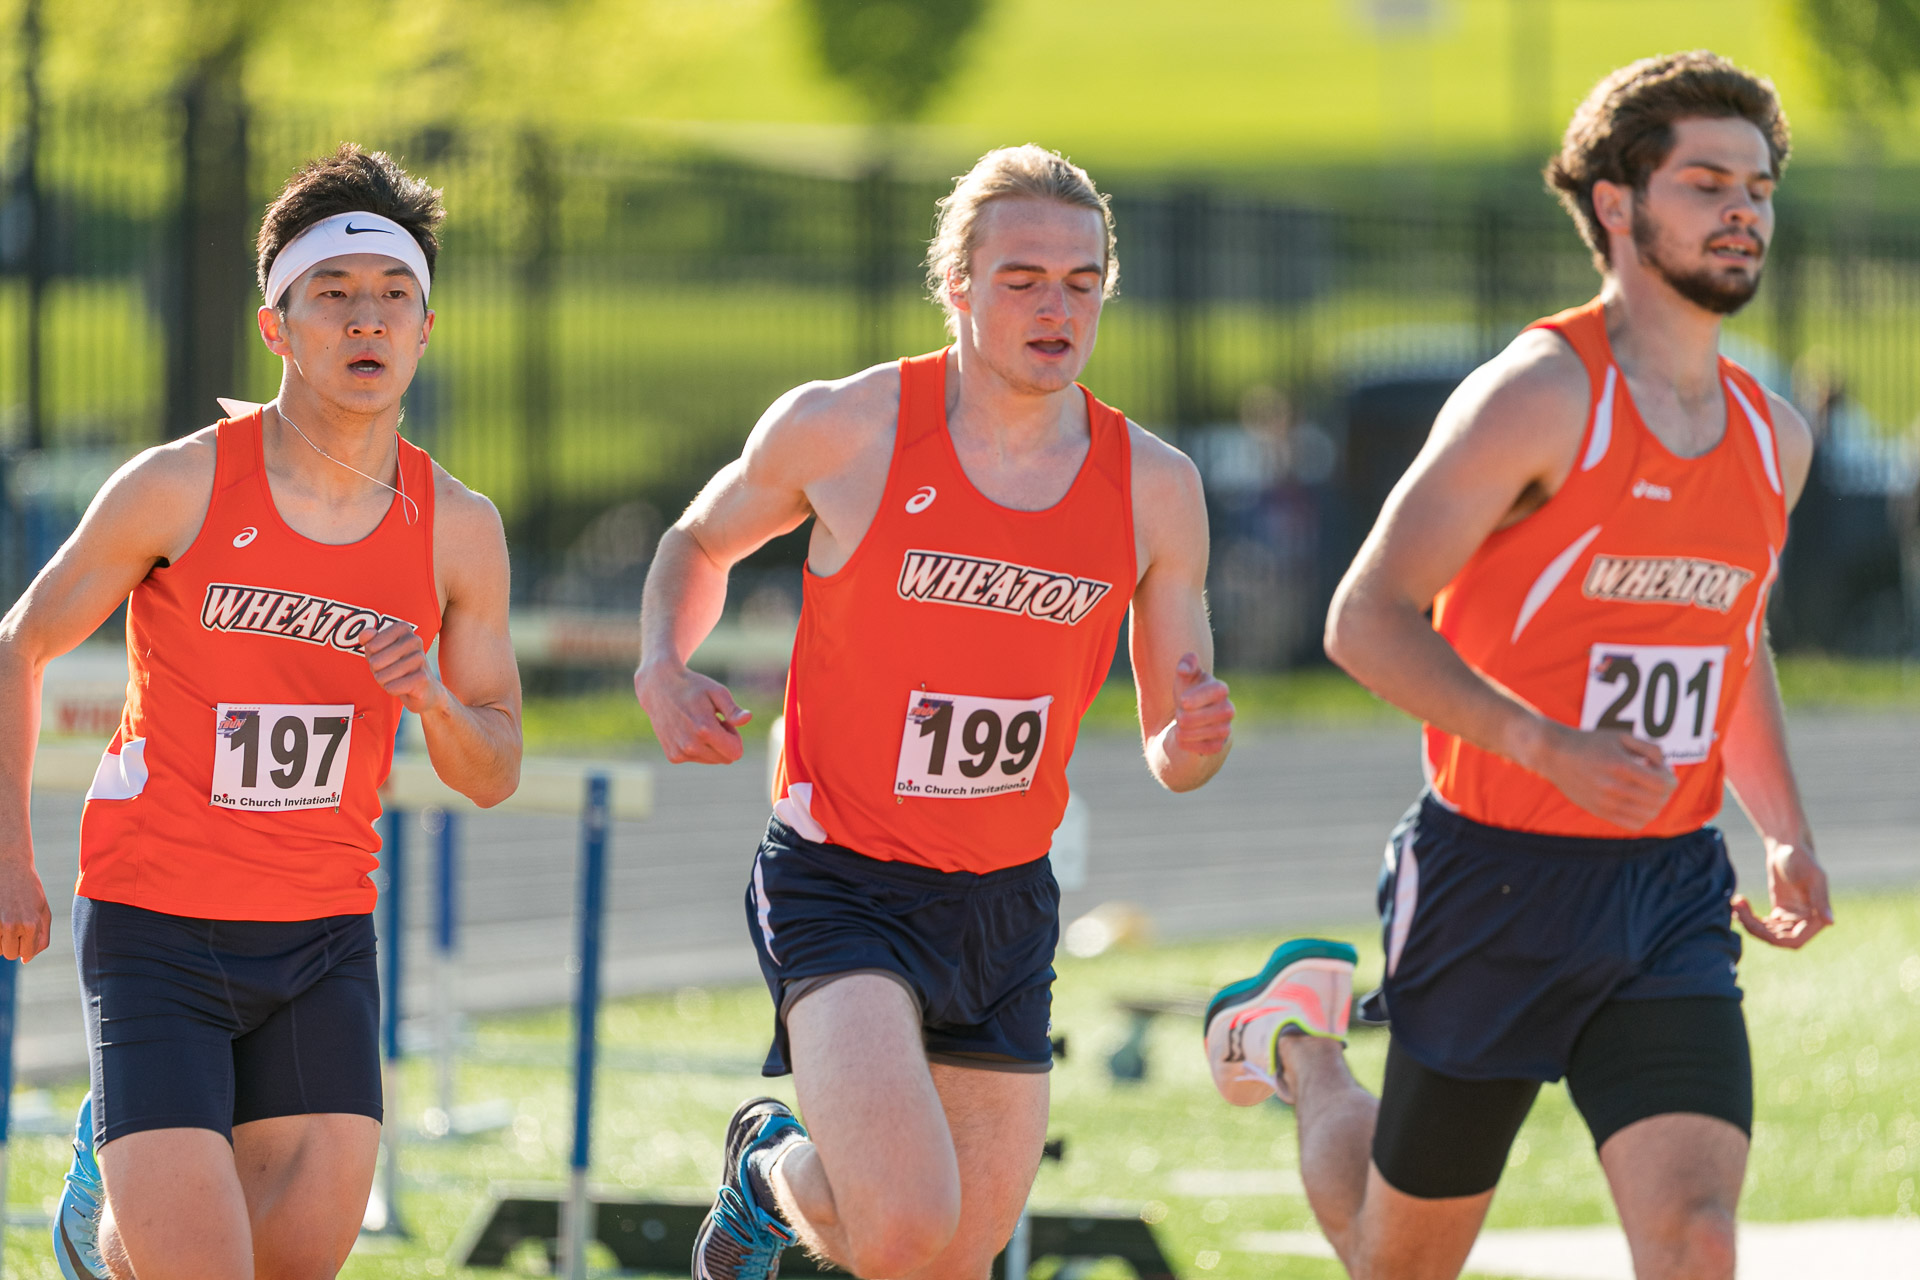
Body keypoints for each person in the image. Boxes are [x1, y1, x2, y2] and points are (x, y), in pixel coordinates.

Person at [1202, 52, 1831, 1280]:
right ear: (1617, 204)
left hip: (1669, 889)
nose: (1743, 211)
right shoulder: (1540, 395)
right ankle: (1299, 1046)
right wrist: (1546, 745)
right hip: (1497, 881)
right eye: (1707, 183)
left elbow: (1731, 634)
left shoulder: (1776, 437)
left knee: (1698, 1237)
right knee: (1397, 1261)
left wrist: (1785, 827)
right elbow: (1365, 618)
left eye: (1758, 187)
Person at [635, 144, 1234, 1280]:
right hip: (841, 877)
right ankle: (772, 1162)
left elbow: (1174, 744)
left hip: (1005, 899)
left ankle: (767, 1172)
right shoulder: (850, 428)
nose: (1057, 308)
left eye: (1082, 281)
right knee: (906, 1227)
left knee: (950, 1255)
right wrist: (663, 665)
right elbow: (699, 542)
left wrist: (1190, 737)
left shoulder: (1155, 487)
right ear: (957, 286)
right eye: (1024, 279)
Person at [0, 144, 523, 1280]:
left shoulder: (457, 527)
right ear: (275, 326)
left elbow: (493, 768)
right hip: (155, 923)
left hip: (322, 936)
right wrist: (8, 856)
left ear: (425, 330)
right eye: (332, 294)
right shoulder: (179, 485)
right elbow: (19, 643)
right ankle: (116, 1201)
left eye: (394, 295)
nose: (366, 318)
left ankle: (112, 1219)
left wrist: (433, 698)